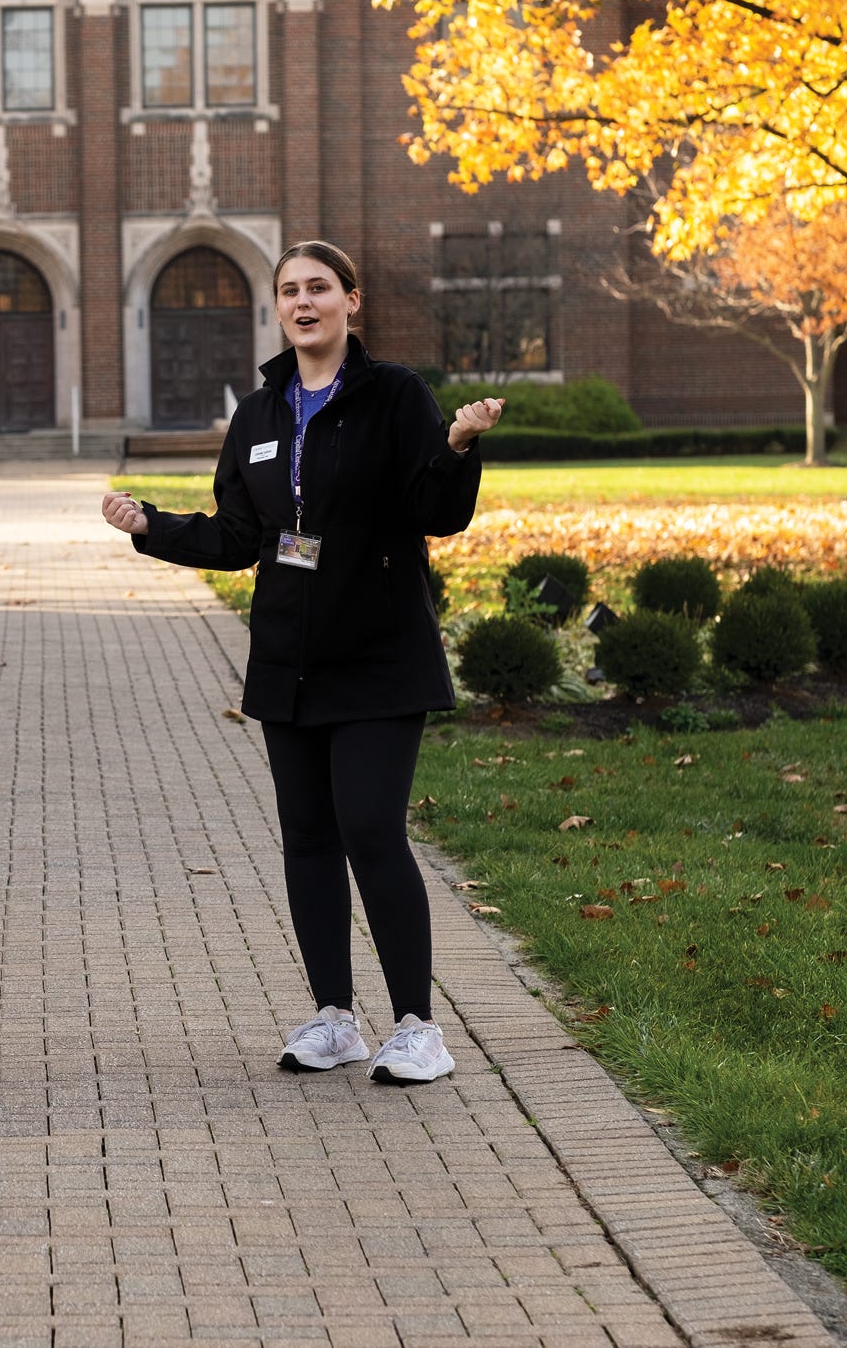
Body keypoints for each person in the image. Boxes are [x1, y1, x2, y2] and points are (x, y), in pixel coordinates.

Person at [102, 240, 503, 1085]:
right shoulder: (260, 414)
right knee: (308, 839)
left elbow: (434, 509)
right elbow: (239, 536)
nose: (304, 302)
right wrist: (151, 527)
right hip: (288, 661)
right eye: (290, 291)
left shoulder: (392, 396)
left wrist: (459, 444)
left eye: (320, 287)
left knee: (369, 829)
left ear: (352, 301)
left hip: (380, 655)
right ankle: (334, 1017)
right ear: (278, 308)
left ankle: (417, 1026)